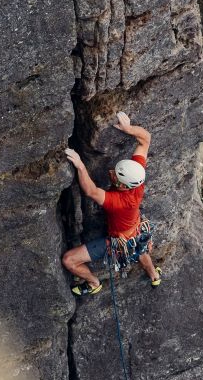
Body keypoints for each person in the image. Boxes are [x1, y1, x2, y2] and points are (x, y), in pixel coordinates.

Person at [62, 111, 161, 296]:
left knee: (69, 260)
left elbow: (91, 191)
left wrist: (80, 166)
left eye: (115, 175)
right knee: (139, 248)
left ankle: (93, 282)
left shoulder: (119, 202)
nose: (111, 173)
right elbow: (146, 139)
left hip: (119, 240)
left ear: (123, 185)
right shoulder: (137, 176)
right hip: (136, 231)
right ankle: (154, 276)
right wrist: (129, 129)